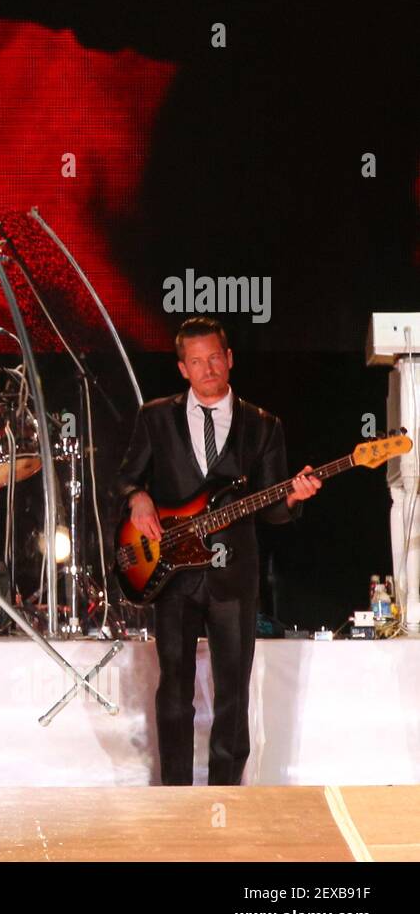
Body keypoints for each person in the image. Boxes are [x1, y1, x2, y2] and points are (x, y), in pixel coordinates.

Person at [116, 316, 321, 785]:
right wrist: (137, 496)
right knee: (174, 690)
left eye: (214, 358)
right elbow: (124, 477)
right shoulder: (155, 416)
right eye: (196, 362)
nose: (207, 369)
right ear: (182, 369)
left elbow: (270, 510)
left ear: (229, 359)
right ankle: (175, 794)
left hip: (234, 575)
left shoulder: (263, 426)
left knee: (233, 693)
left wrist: (292, 496)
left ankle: (228, 795)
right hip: (172, 572)